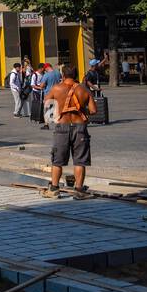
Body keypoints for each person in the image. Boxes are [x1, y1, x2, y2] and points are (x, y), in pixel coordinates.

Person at [42, 64, 97, 199]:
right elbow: (94, 110)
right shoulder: (84, 89)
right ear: (76, 75)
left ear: (63, 75)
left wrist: (56, 116)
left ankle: (54, 189)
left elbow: (47, 107)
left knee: (58, 160)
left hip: (62, 127)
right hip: (80, 128)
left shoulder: (56, 88)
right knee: (80, 161)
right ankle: (79, 191)